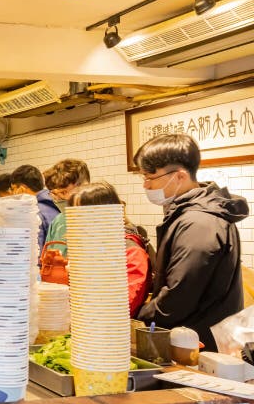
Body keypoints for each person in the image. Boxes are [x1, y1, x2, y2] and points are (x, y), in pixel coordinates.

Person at [134, 134, 248, 351]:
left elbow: (180, 294)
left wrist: (140, 317)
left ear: (180, 176)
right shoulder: (191, 214)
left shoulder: (199, 222)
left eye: (150, 177)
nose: (146, 185)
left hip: (201, 344)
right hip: (194, 338)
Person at [68, 182, 152, 318]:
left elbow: (124, 305)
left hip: (111, 331)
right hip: (83, 327)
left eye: (81, 213)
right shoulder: (88, 249)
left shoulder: (131, 252)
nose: (74, 221)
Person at [43, 159, 91, 256]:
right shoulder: (58, 221)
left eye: (63, 192)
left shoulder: (101, 221)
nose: (57, 199)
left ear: (83, 187)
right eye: (54, 194)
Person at [10, 165, 60, 252]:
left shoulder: (33, 212)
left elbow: (34, 255)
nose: (12, 194)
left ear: (21, 189)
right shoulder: (56, 205)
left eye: (13, 189)